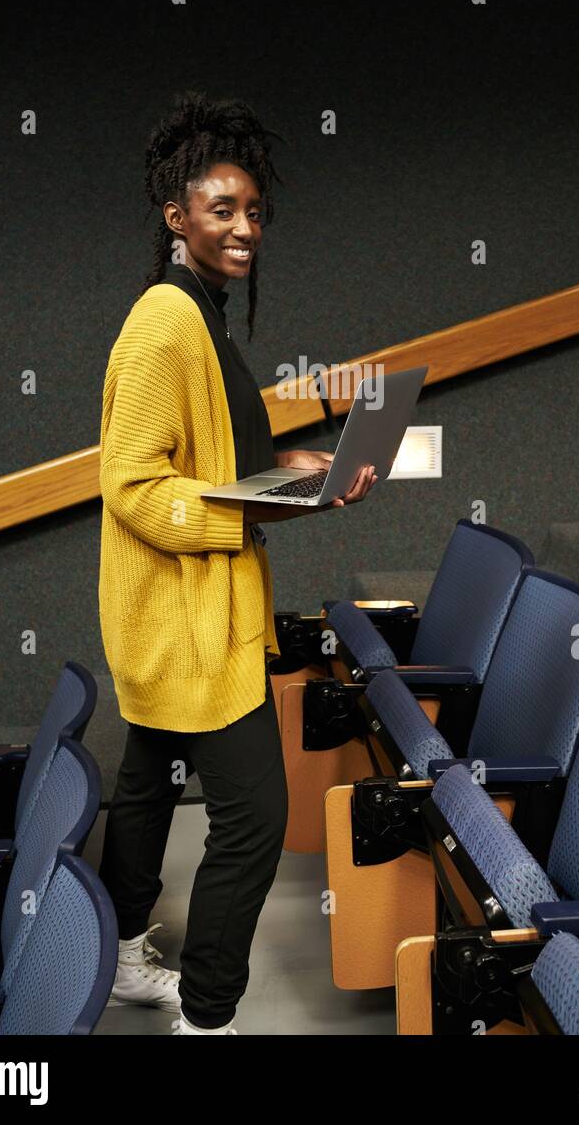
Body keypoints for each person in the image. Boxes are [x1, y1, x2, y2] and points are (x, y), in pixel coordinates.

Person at [97, 90, 377, 1036]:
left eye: (254, 211)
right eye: (222, 209)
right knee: (254, 818)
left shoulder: (200, 315)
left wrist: (289, 469)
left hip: (182, 612)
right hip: (186, 621)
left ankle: (119, 957)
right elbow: (134, 486)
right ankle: (208, 1016)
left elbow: (209, 457)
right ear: (176, 216)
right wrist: (256, 507)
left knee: (146, 787)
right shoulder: (164, 322)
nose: (245, 227)